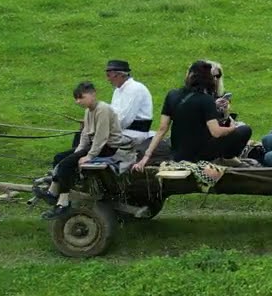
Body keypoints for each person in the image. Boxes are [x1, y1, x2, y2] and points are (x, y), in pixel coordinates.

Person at [35, 82, 135, 219]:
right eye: (76, 98)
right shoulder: (89, 111)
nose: (78, 101)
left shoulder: (103, 109)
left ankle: (63, 203)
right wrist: (78, 151)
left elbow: (102, 136)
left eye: (81, 97)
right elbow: (85, 134)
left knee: (66, 164)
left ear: (93, 94)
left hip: (109, 147)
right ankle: (53, 192)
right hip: (97, 145)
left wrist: (90, 155)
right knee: (59, 157)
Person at [132, 60, 252, 170]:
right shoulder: (206, 100)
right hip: (199, 155)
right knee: (245, 130)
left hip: (178, 153)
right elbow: (216, 132)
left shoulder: (172, 95)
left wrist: (146, 157)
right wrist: (231, 128)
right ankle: (227, 159)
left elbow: (162, 129)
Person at [105, 59, 153, 146]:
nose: (108, 79)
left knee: (98, 140)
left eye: (109, 75)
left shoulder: (134, 89)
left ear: (120, 75)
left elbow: (124, 120)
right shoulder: (118, 90)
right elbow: (113, 112)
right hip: (122, 131)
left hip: (133, 133)